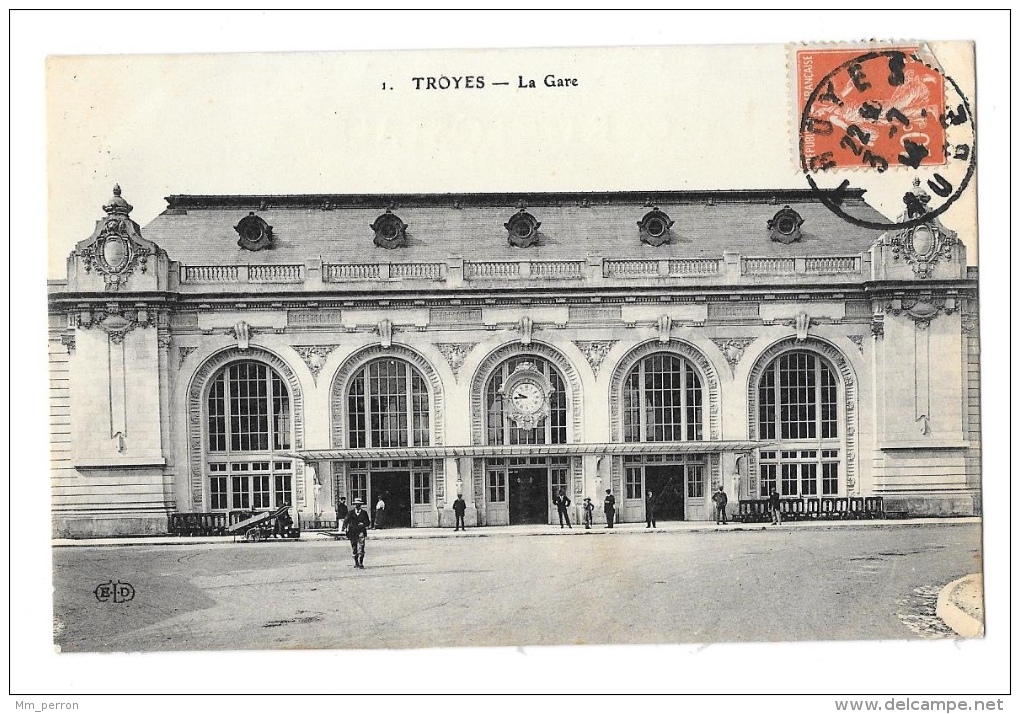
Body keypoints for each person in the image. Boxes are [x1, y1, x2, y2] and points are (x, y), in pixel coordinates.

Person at [342, 498, 371, 568]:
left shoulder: (364, 513)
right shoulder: (351, 513)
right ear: (354, 505)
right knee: (354, 547)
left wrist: (363, 524)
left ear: (361, 505)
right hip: (353, 532)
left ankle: (361, 562)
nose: (357, 505)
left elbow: (368, 523)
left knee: (361, 547)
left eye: (359, 504)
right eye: (356, 504)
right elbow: (346, 520)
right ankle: (356, 562)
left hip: (361, 532)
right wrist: (345, 528)